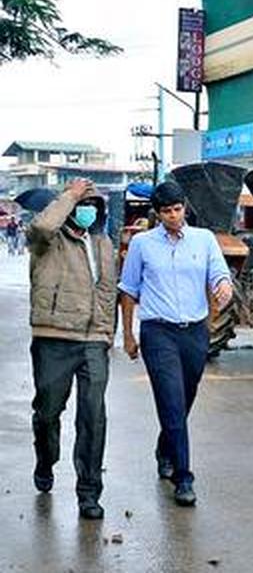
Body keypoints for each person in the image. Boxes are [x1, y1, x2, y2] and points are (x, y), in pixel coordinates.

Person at [118, 180, 233, 508]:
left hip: (194, 332)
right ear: (157, 213)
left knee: (185, 399)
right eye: (166, 211)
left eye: (177, 209)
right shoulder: (142, 244)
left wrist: (223, 287)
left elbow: (218, 274)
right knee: (170, 399)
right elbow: (128, 290)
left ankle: (165, 448)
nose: (172, 216)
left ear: (185, 208)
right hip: (158, 333)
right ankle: (183, 478)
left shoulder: (204, 239)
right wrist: (128, 335)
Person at [26, 178, 117, 520]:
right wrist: (70, 194)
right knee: (48, 413)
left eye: (92, 205)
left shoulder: (102, 243)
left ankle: (89, 493)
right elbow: (42, 225)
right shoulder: (46, 242)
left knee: (93, 417)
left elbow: (107, 291)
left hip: (93, 341)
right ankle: (45, 459)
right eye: (82, 204)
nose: (86, 210)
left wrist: (107, 333)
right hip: (54, 337)